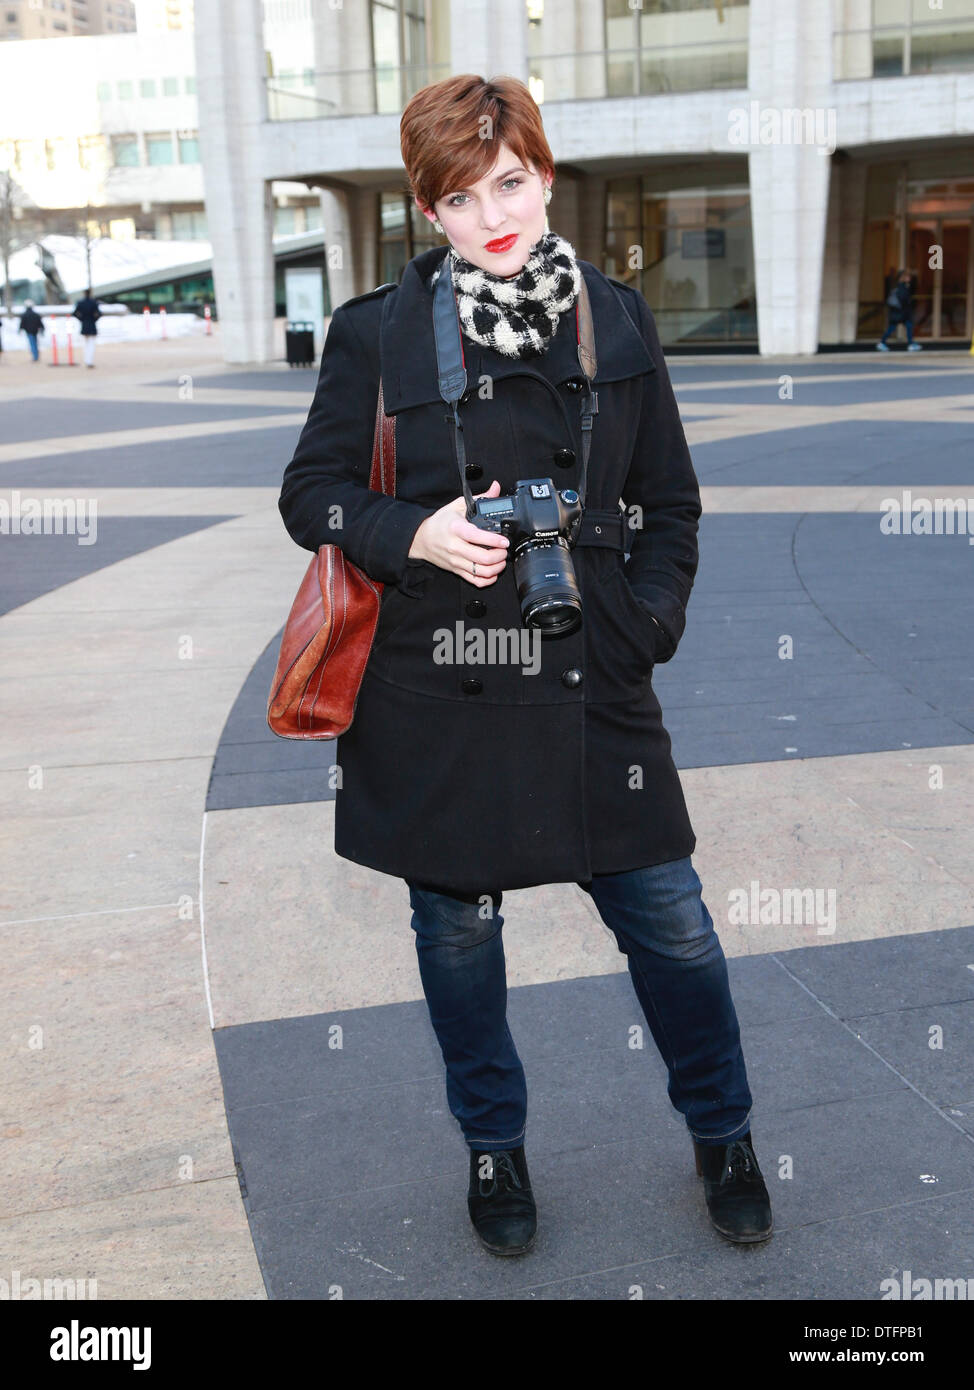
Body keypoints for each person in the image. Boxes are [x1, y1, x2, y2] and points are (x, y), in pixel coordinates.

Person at [278, 74, 773, 1257]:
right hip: (437, 677)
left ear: (544, 175)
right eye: (457, 196)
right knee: (457, 936)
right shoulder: (377, 331)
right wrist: (413, 533)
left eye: (507, 183)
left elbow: (672, 506)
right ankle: (492, 1145)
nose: (490, 215)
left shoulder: (614, 317)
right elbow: (311, 496)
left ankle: (724, 1133)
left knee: (674, 927)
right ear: (427, 209)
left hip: (593, 677)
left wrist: (646, 621)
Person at [877, 267, 922, 351]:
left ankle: (910, 343)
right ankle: (883, 342)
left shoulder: (899, 286)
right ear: (903, 277)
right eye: (908, 276)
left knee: (906, 326)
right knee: (895, 327)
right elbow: (904, 300)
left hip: (899, 313)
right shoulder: (901, 287)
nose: (910, 278)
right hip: (901, 313)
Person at [73, 287, 101, 366]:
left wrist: (81, 319)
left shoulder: (80, 302)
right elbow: (99, 314)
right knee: (91, 343)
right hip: (92, 324)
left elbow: (74, 313)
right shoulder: (94, 302)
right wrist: (94, 319)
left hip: (84, 324)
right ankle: (90, 361)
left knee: (85, 343)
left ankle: (86, 360)